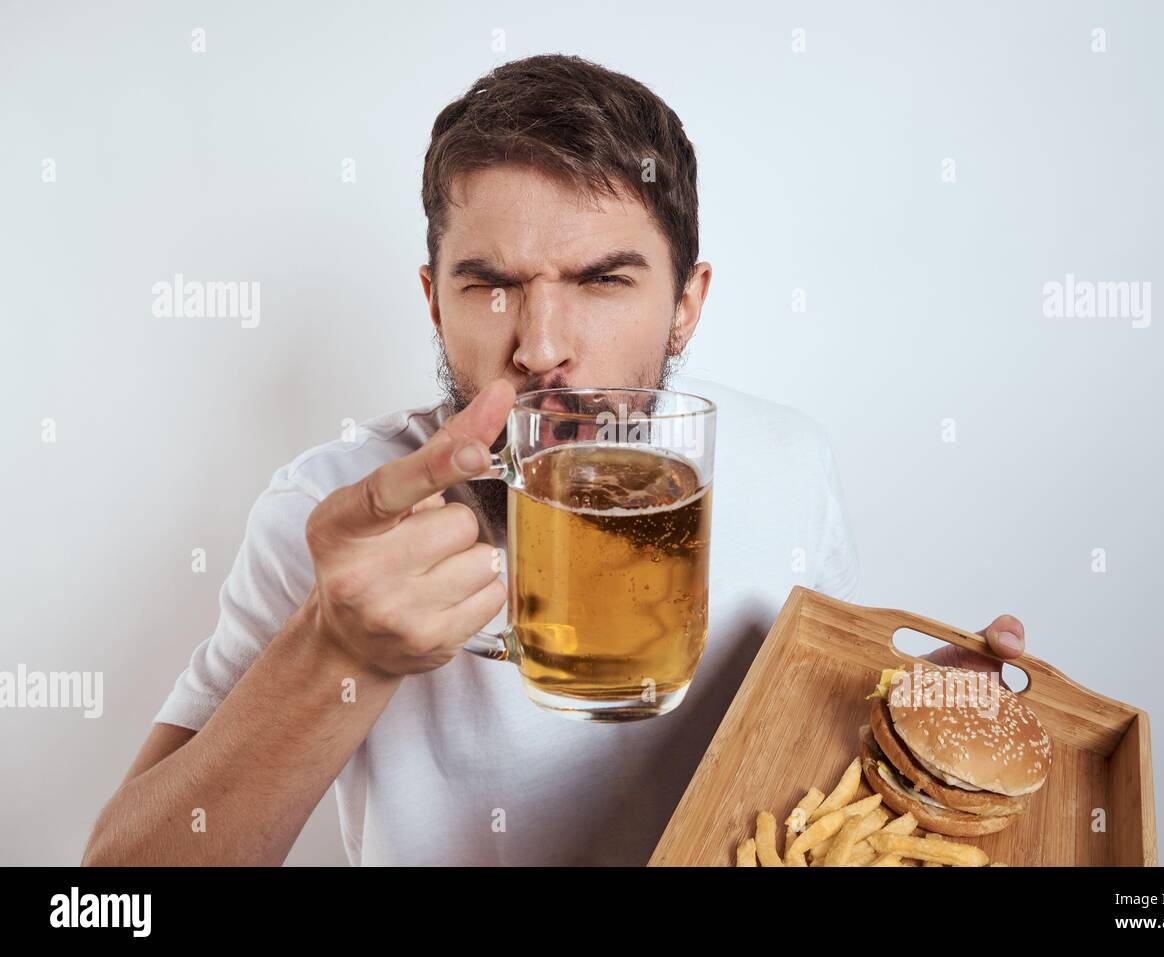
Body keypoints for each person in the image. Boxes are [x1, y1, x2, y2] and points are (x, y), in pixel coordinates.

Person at [84, 54, 1026, 866]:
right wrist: (335, 651)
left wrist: (909, 736)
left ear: (687, 303)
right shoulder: (328, 512)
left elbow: (801, 770)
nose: (541, 347)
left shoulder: (790, 458)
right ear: (432, 300)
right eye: (489, 285)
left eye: (603, 280)